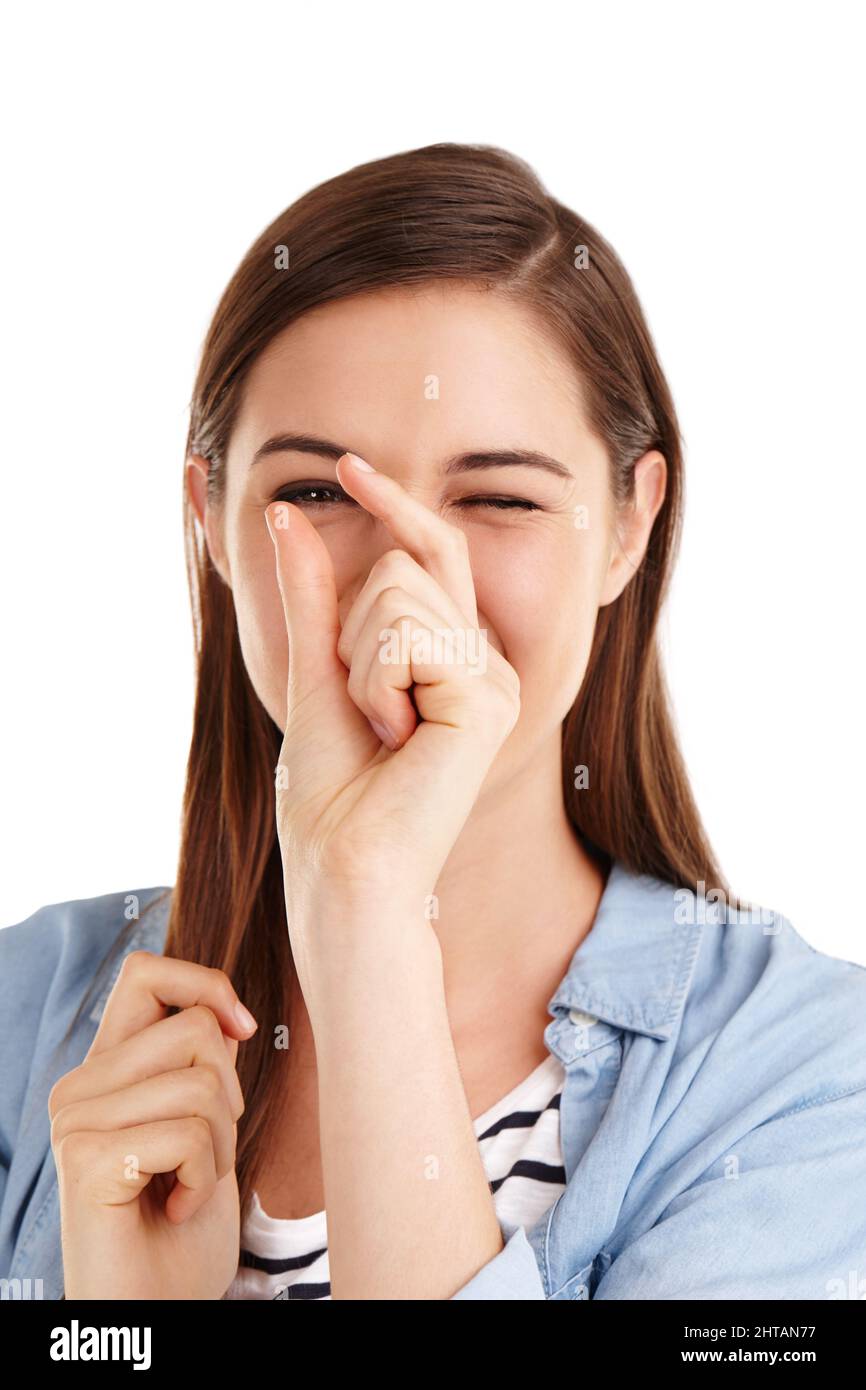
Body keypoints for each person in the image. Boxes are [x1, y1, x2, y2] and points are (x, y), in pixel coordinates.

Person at [2, 143, 864, 1301]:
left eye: (500, 499)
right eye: (314, 492)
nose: (406, 584)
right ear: (209, 518)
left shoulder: (805, 1076)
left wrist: (365, 911)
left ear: (625, 526)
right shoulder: (26, 1015)